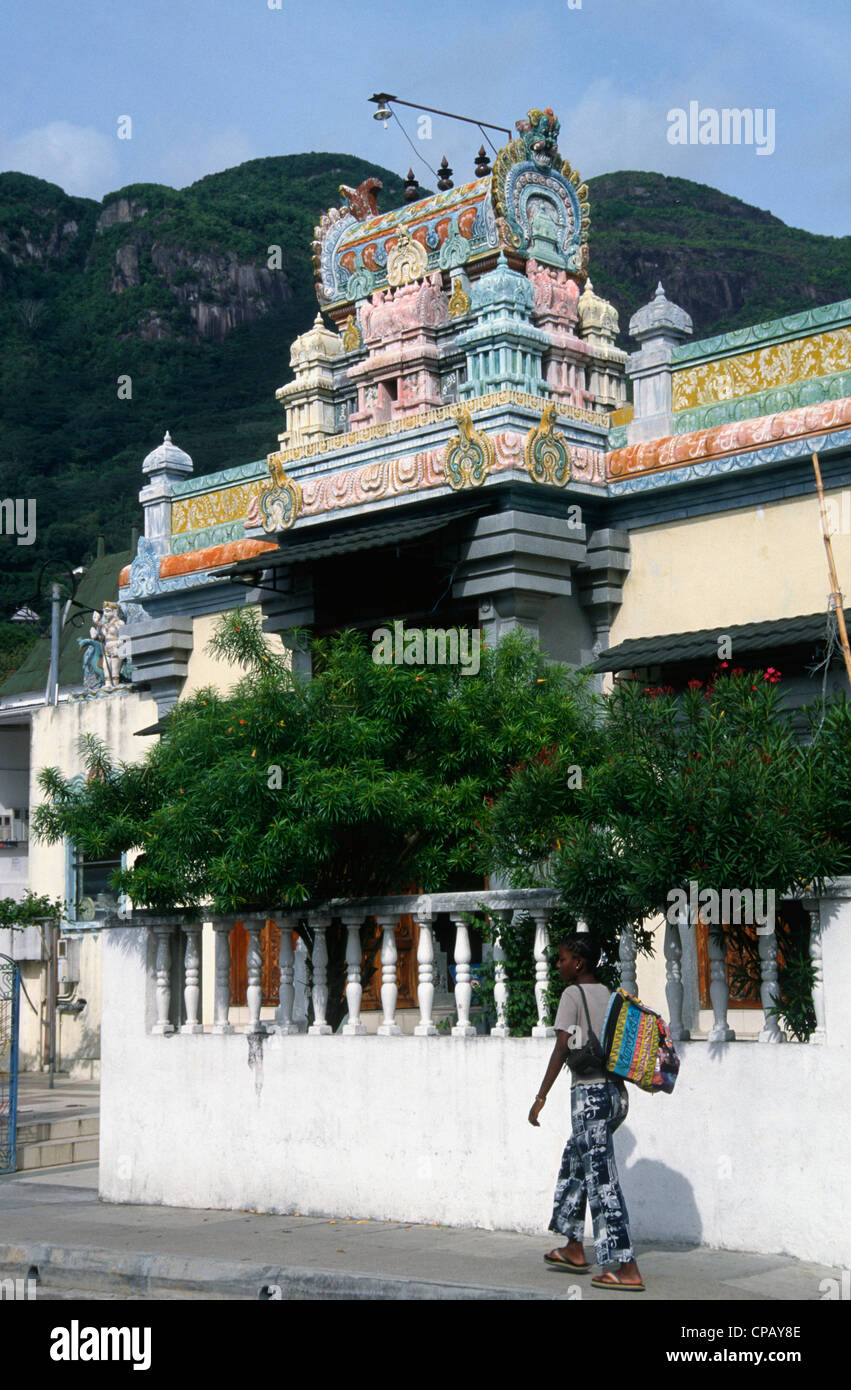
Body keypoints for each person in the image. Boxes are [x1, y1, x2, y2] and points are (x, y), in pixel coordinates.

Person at [528, 935, 644, 1292]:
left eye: (562, 959)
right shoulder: (609, 995)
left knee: (602, 1179)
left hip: (589, 1094)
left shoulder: (570, 995)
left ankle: (626, 1267)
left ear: (578, 962)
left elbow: (563, 1046)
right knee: (575, 1163)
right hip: (614, 1094)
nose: (559, 964)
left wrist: (541, 1096)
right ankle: (575, 1248)